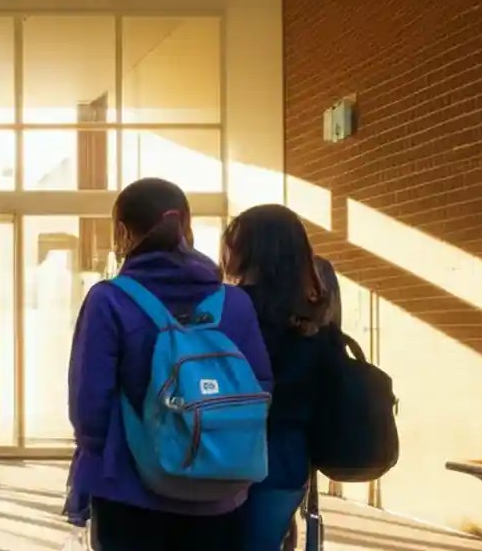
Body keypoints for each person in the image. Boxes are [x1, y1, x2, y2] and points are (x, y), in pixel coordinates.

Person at [65, 178, 273, 550]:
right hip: (220, 493)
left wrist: (90, 470)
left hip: (130, 492)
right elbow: (261, 388)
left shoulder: (108, 301)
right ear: (187, 230)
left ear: (123, 233)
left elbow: (89, 406)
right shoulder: (235, 303)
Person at [221, 205, 337, 550]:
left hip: (226, 452)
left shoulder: (230, 307)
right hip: (288, 457)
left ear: (249, 249)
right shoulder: (315, 314)